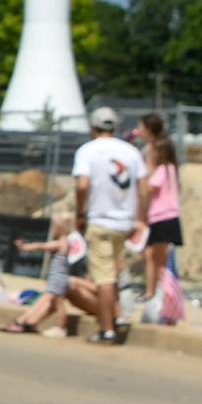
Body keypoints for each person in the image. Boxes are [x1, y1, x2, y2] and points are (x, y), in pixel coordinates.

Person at [72, 106, 150, 345]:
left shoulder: (87, 151)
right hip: (124, 222)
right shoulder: (131, 151)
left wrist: (80, 213)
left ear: (93, 127)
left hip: (100, 221)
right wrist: (140, 219)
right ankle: (119, 316)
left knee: (103, 277)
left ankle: (107, 328)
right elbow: (144, 188)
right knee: (113, 272)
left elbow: (82, 185)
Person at [0, 215, 80, 337]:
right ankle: (26, 321)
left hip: (58, 278)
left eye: (55, 226)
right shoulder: (65, 242)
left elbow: (41, 246)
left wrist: (25, 247)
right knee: (53, 302)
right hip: (57, 277)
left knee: (57, 304)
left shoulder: (62, 242)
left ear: (60, 228)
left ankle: (59, 328)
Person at [136, 113, 182, 300]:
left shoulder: (164, 169)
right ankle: (152, 291)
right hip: (162, 216)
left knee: (158, 258)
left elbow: (148, 187)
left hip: (162, 216)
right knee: (150, 255)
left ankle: (161, 293)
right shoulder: (170, 169)